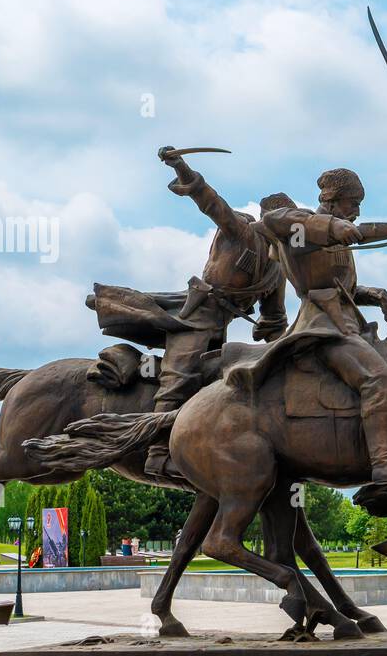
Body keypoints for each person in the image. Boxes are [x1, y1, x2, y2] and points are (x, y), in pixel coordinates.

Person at [86, 148, 291, 479]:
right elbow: (212, 203)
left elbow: (274, 321)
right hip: (195, 317)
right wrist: (183, 168)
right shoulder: (241, 232)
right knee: (180, 377)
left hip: (219, 330)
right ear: (270, 220)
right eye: (285, 222)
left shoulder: (278, 269)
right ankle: (155, 452)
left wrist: (283, 352)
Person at [230, 167, 387, 485]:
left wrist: (380, 295)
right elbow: (272, 220)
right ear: (331, 202)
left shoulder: (336, 238)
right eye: (352, 203)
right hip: (322, 329)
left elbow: (343, 290)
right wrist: (332, 225)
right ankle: (384, 465)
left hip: (349, 324)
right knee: (377, 377)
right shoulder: (300, 228)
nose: (358, 211)